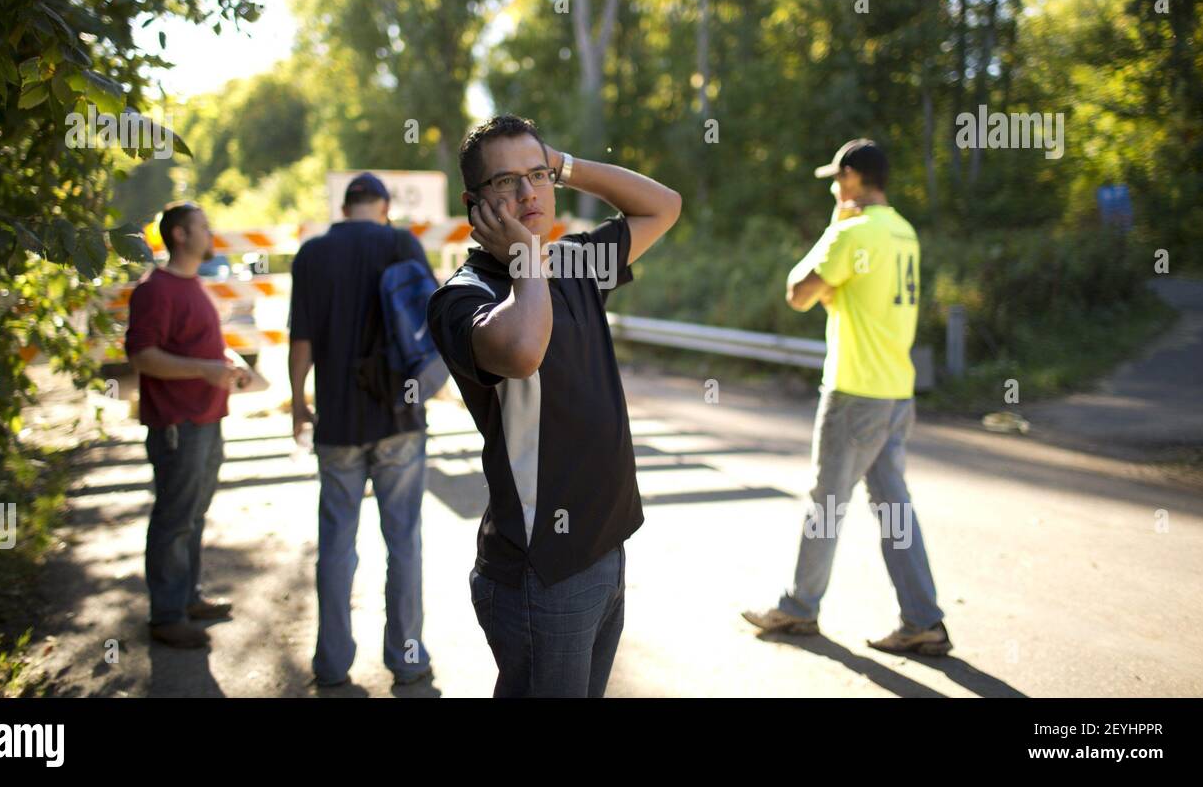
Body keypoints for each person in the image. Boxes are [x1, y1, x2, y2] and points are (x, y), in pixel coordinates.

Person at [427, 114, 681, 697]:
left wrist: (566, 166)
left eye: (537, 175)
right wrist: (524, 258)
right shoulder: (462, 297)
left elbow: (662, 206)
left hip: (605, 547)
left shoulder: (571, 263)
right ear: (474, 204)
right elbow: (520, 349)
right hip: (542, 570)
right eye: (505, 182)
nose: (527, 192)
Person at [743, 139, 951, 656]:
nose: (835, 187)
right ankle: (923, 619)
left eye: (838, 178)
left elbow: (797, 292)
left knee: (826, 504)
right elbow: (847, 291)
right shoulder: (903, 231)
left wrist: (834, 227)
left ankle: (798, 610)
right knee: (894, 509)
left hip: (855, 392)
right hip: (897, 393)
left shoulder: (852, 232)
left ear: (855, 179)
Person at [289, 173, 435, 687]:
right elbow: (430, 324)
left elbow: (300, 339)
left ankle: (331, 664)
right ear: (384, 206)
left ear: (345, 206)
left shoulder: (311, 254)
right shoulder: (399, 242)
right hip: (399, 415)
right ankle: (407, 657)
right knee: (403, 542)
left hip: (338, 422)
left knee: (335, 545)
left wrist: (298, 405)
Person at [126, 202, 249, 649]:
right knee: (174, 519)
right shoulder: (154, 290)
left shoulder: (192, 284)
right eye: (202, 226)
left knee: (193, 515)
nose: (210, 232)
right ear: (179, 235)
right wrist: (203, 370)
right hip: (177, 424)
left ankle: (186, 597)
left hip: (206, 420)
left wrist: (228, 363)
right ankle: (167, 616)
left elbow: (198, 347)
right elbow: (142, 356)